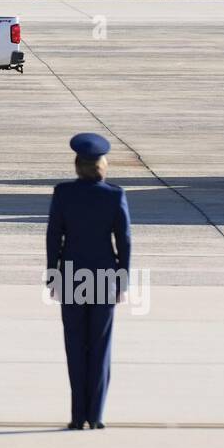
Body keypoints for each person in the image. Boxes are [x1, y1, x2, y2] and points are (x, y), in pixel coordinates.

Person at [45, 132, 132, 431]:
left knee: (75, 347)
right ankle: (95, 415)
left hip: (71, 277)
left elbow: (54, 236)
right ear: (102, 165)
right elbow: (124, 241)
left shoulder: (63, 193)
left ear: (77, 165)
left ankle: (76, 414)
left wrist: (52, 273)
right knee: (99, 347)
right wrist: (123, 278)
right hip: (104, 277)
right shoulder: (114, 195)